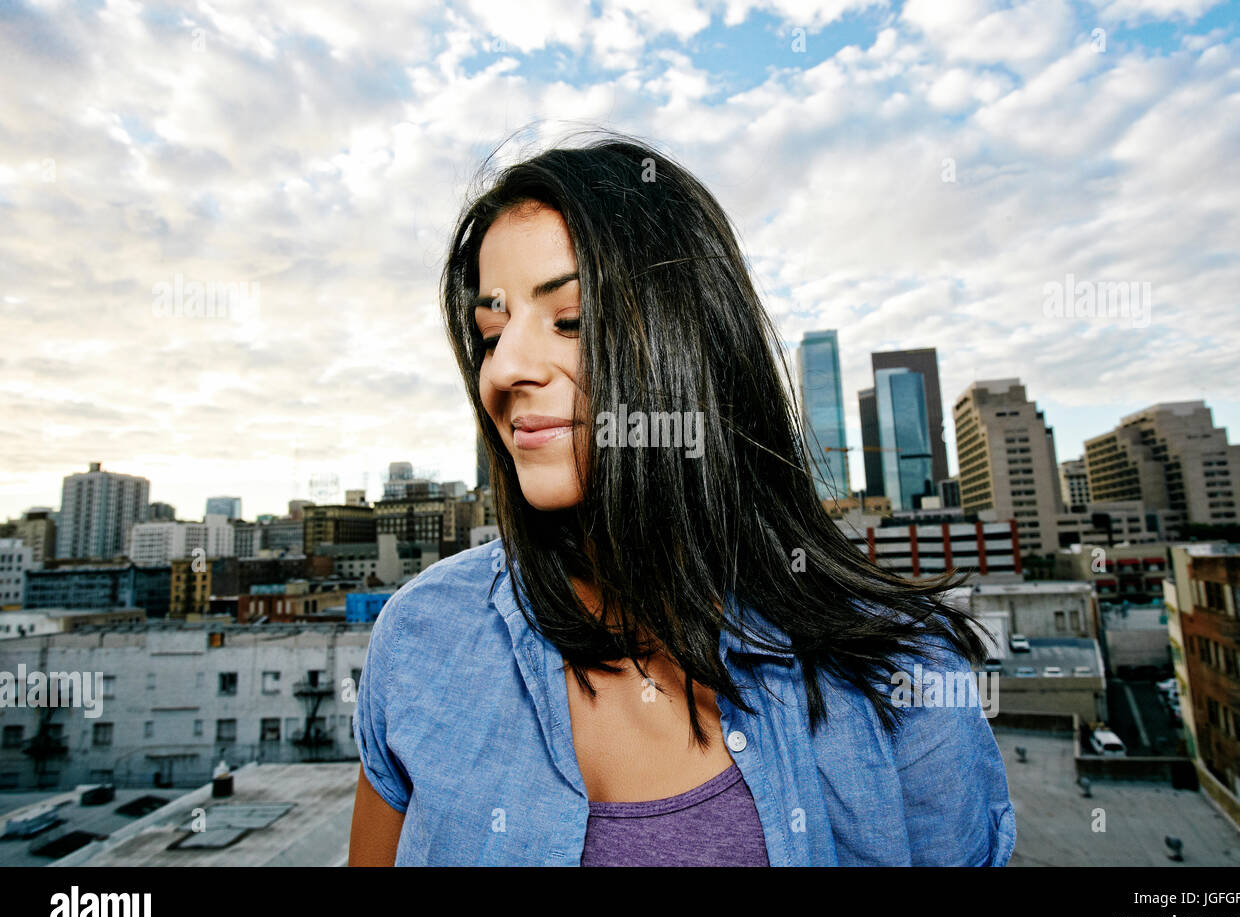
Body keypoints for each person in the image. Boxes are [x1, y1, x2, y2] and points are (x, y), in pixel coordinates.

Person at [348, 129, 1015, 866]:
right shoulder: (424, 640)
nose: (505, 368)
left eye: (569, 321)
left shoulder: (905, 692)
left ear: (688, 344)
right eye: (492, 330)